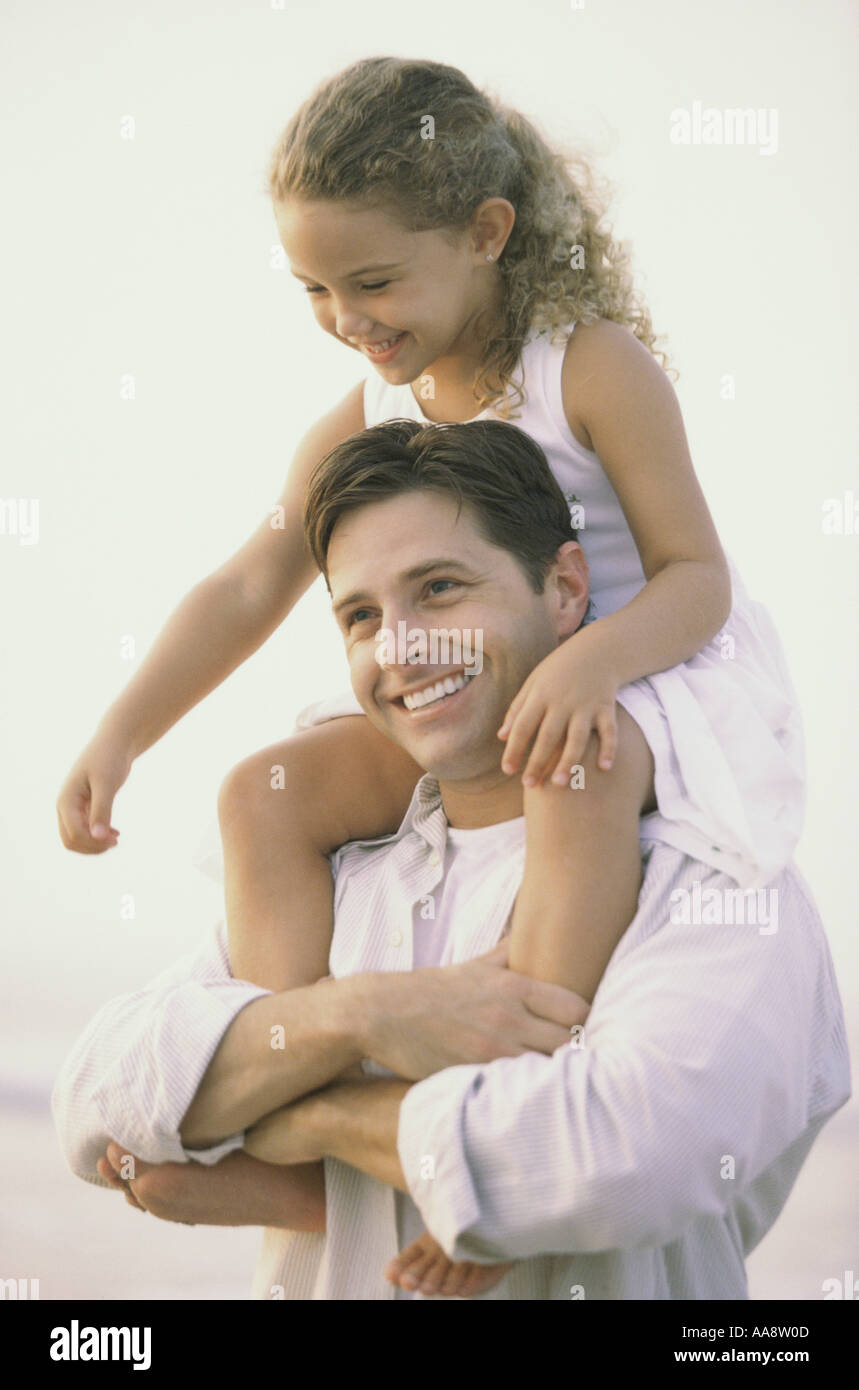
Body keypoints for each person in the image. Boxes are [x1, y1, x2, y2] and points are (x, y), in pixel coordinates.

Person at [55, 56, 804, 1282]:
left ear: (486, 233)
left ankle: (490, 1162)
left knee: (573, 770)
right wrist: (123, 734)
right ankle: (301, 1110)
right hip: (456, 693)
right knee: (263, 793)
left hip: (623, 674)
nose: (347, 317)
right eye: (312, 288)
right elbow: (252, 581)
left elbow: (695, 574)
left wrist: (594, 663)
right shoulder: (369, 410)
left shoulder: (589, 367)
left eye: (373, 281)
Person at [53, 420, 850, 1300]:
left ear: (564, 589)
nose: (399, 648)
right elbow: (96, 1101)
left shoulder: (717, 885)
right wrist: (365, 1015)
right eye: (360, 615)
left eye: (438, 589)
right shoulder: (345, 877)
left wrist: (298, 1109)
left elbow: (602, 1164)